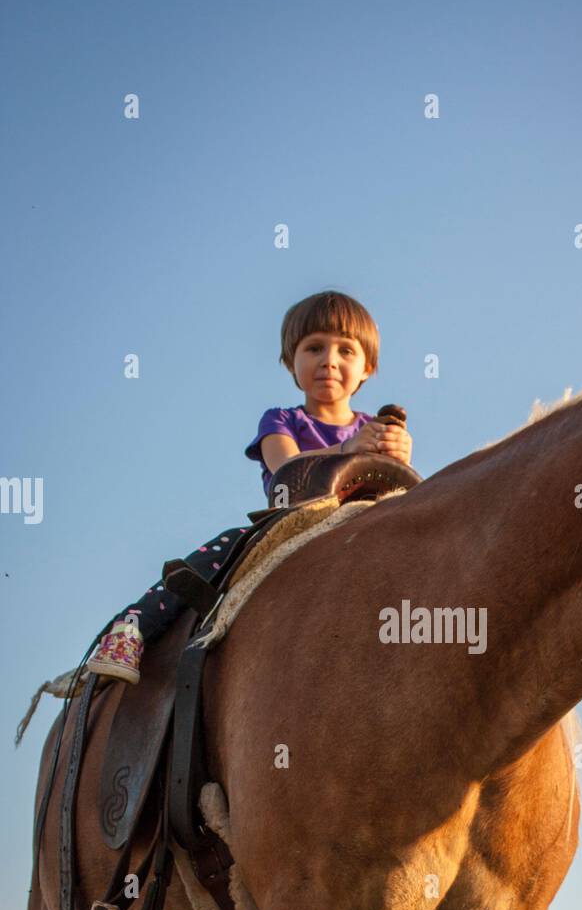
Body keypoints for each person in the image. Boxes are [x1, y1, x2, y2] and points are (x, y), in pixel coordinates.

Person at [85, 290, 413, 683]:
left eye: (346, 351)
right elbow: (288, 472)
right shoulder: (280, 421)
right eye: (314, 348)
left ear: (367, 368)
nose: (329, 360)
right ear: (290, 361)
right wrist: (348, 449)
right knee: (221, 551)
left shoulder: (373, 429)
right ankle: (132, 629)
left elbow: (396, 492)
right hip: (292, 522)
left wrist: (398, 455)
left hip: (358, 528)